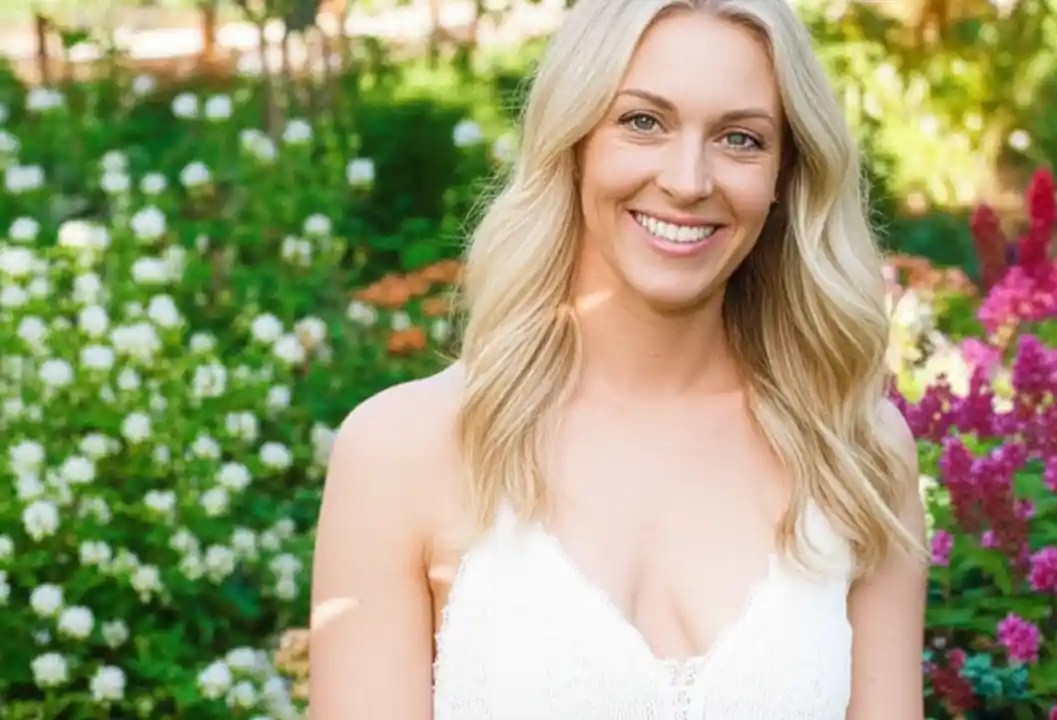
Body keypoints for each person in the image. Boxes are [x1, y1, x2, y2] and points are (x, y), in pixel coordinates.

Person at [308, 0, 929, 717]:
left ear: (786, 178)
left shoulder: (856, 454)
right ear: (573, 142)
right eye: (643, 122)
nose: (689, 180)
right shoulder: (401, 450)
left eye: (740, 138)